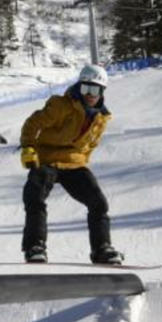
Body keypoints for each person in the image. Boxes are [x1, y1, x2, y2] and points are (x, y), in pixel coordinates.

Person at [19, 64, 121, 265]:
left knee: (99, 203)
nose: (90, 95)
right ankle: (35, 246)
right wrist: (28, 147)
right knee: (35, 196)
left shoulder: (101, 119)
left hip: (74, 164)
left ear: (102, 92)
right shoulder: (61, 105)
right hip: (47, 158)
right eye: (86, 89)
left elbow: (90, 146)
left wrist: (81, 163)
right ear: (79, 86)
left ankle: (102, 249)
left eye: (95, 90)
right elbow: (33, 124)